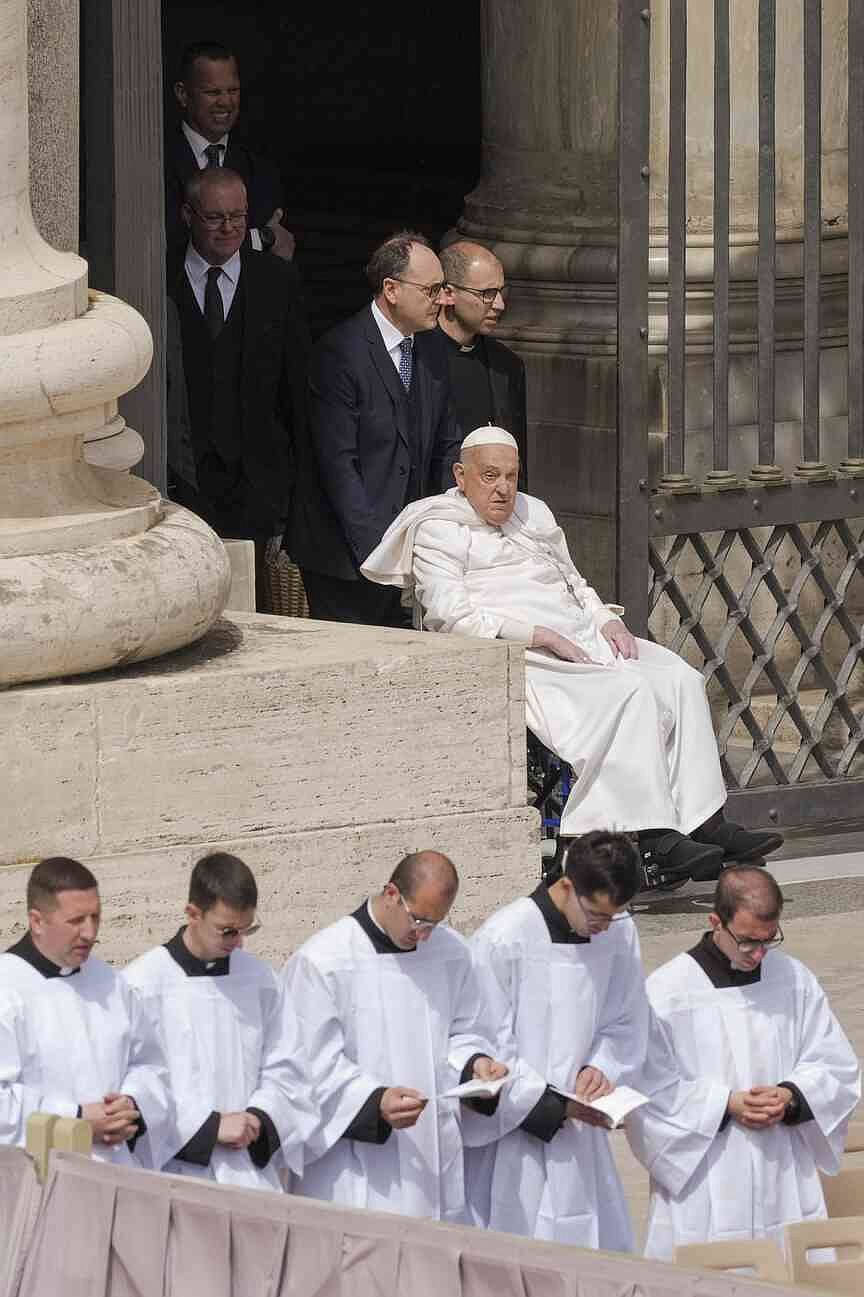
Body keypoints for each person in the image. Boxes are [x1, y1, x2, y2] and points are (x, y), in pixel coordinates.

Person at [361, 427, 784, 880]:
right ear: (461, 476)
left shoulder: (533, 513)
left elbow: (574, 581)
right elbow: (450, 616)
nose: (503, 488)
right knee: (631, 690)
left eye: (511, 476)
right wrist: (537, 634)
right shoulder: (436, 527)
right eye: (489, 476)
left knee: (680, 678)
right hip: (515, 653)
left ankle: (705, 822)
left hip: (579, 637)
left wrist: (606, 619)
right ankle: (655, 838)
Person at [627, 866, 861, 1258]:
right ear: (715, 921)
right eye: (748, 942)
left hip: (782, 1169)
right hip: (708, 1173)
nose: (759, 954)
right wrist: (725, 1104)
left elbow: (834, 1063)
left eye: (769, 940)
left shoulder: (792, 978)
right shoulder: (668, 992)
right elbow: (646, 1091)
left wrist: (791, 1095)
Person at [282, 851, 521, 1221]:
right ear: (392, 894)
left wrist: (475, 1065)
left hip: (431, 1156)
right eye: (419, 920)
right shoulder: (323, 961)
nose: (424, 935)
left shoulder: (452, 952)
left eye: (435, 924)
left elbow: (467, 1029)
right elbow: (308, 1064)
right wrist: (373, 1100)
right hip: (356, 1168)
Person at [460, 832, 647, 1249]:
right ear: (566, 885)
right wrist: (551, 1104)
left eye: (613, 917)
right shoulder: (506, 936)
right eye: (596, 915)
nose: (602, 928)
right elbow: (485, 1040)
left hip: (584, 1140)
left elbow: (628, 1018)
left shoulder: (618, 930)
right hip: (514, 1136)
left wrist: (603, 1067)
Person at [287, 231, 461, 626]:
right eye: (432, 289)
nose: (443, 300)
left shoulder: (433, 350)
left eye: (444, 289)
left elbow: (447, 446)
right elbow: (338, 466)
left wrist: (439, 532)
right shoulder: (340, 352)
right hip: (345, 558)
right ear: (391, 289)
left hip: (408, 554)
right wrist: (382, 553)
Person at [123, 853, 317, 1190]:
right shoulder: (140, 985)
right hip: (175, 1176)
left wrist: (259, 1117)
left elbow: (288, 1068)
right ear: (193, 913)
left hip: (251, 1177)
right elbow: (136, 1087)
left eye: (246, 930)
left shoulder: (262, 981)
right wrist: (209, 1128)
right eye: (227, 931)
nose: (239, 943)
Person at [168, 166, 308, 612]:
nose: (229, 229)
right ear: (187, 214)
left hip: (255, 488)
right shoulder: (157, 278)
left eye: (238, 217)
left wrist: (291, 499)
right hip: (179, 482)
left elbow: (296, 392)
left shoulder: (277, 281)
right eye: (215, 218)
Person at [0, 857, 171, 1168]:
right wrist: (75, 1119)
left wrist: (131, 1103)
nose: (89, 933)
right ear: (37, 921)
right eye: (76, 920)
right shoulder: (6, 987)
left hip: (118, 1172)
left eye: (96, 917)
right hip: (38, 1181)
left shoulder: (111, 983)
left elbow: (149, 1064)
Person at [166, 41, 296, 265]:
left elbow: (280, 251)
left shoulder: (260, 167)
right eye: (213, 92)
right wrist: (262, 238)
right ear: (183, 94)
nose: (225, 102)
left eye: (233, 90)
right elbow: (173, 243)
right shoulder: (156, 161)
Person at [432, 240, 527, 475]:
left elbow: (515, 455)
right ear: (448, 293)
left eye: (501, 292)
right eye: (487, 294)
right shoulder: (416, 356)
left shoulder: (507, 365)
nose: (499, 304)